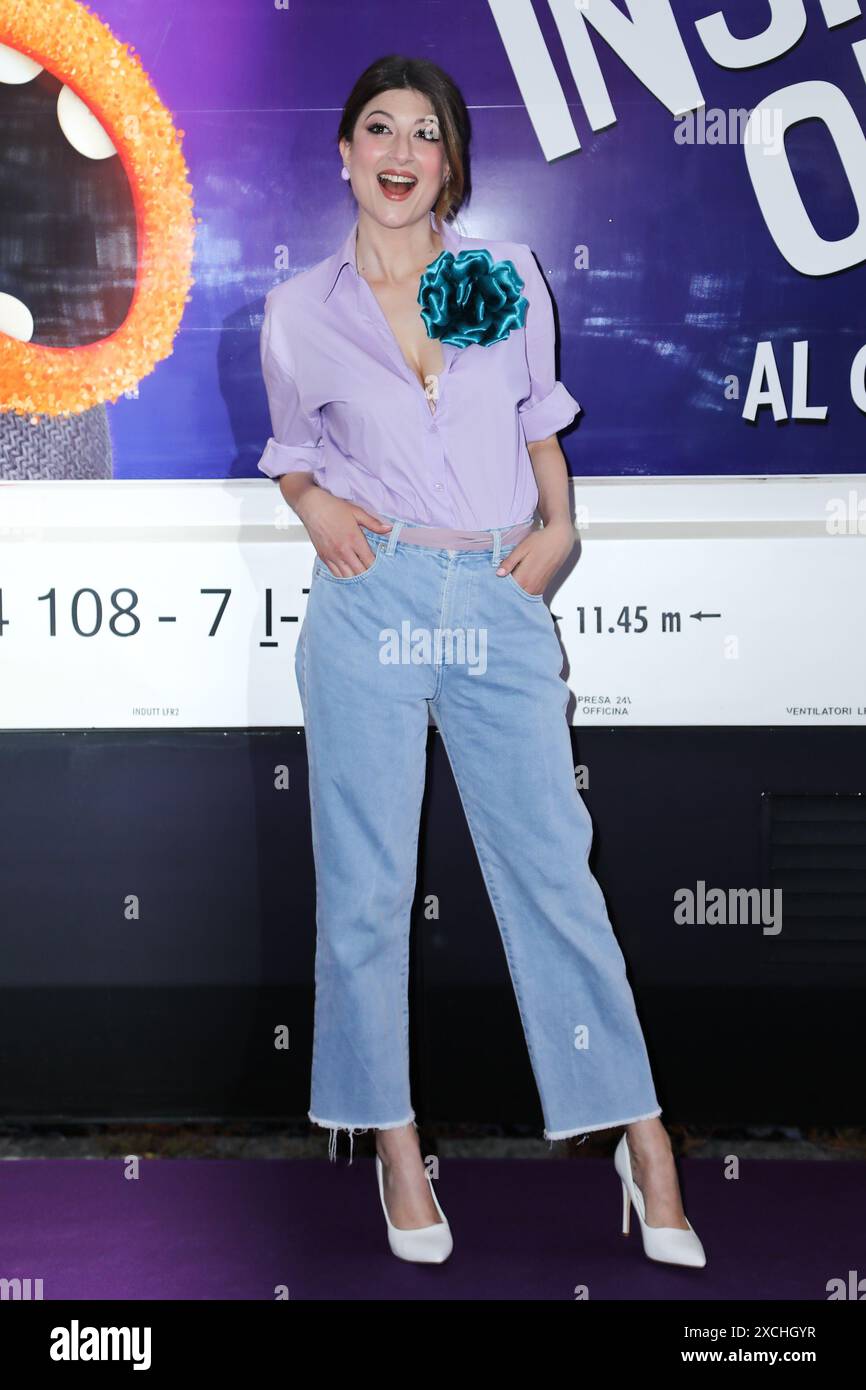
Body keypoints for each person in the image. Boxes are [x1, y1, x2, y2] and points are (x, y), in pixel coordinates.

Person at [257, 53, 705, 1270]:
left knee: (553, 874)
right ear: (343, 152)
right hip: (369, 594)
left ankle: (640, 1138)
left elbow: (532, 416)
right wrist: (312, 508)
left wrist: (558, 528)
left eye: (425, 135)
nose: (400, 152)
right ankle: (395, 1148)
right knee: (362, 888)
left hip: (494, 592)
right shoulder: (304, 307)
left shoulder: (490, 279)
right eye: (377, 129)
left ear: (448, 162)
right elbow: (293, 447)